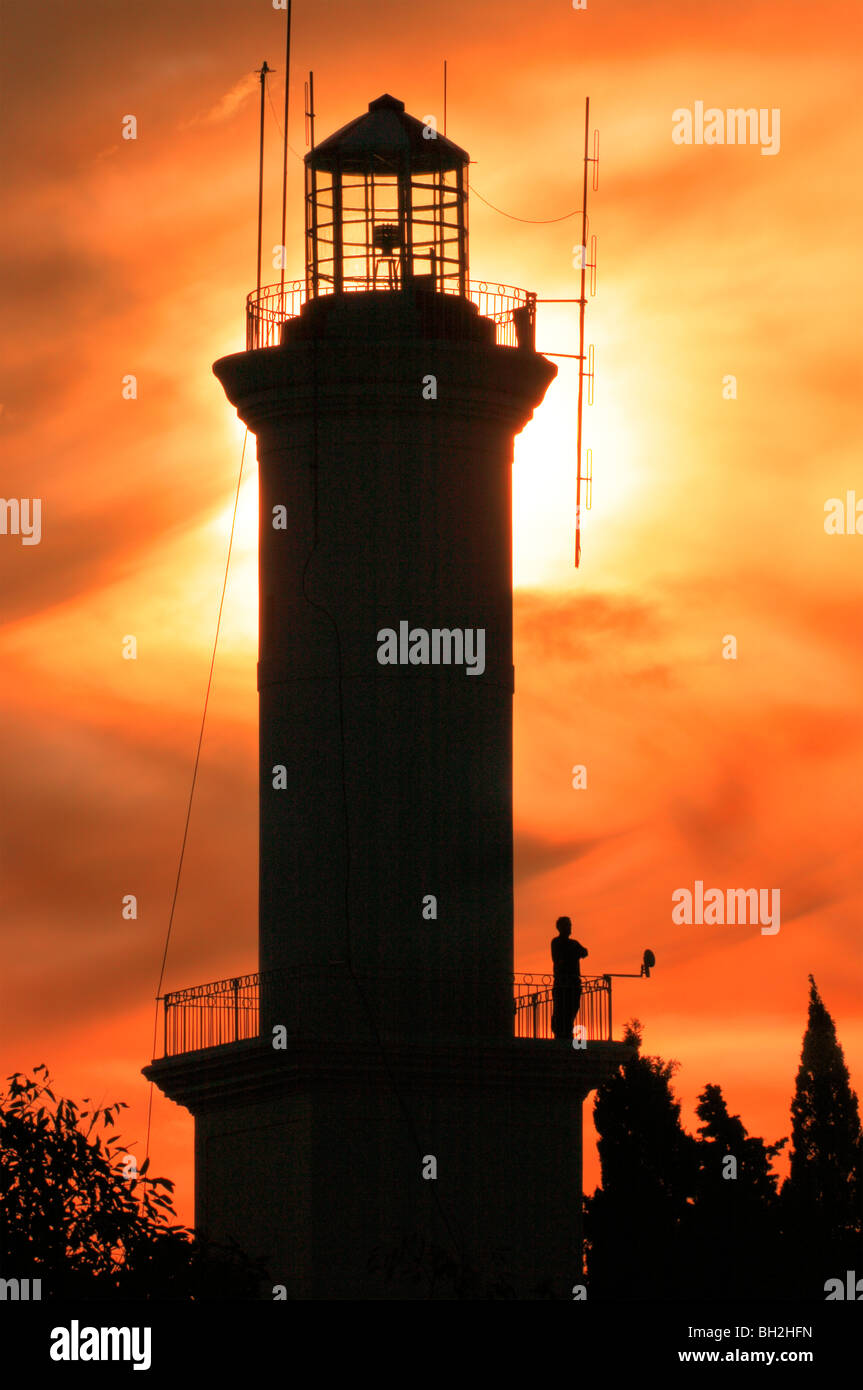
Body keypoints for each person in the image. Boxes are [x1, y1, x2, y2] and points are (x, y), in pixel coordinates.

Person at [551, 916, 588, 1041]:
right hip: (562, 982)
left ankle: (566, 1032)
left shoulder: (573, 943)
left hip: (573, 982)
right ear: (560, 927)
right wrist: (573, 954)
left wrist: (573, 953)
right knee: (561, 1009)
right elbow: (560, 958)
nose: (569, 928)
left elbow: (585, 952)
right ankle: (561, 1033)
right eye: (567, 925)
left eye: (570, 925)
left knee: (573, 1007)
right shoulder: (556, 942)